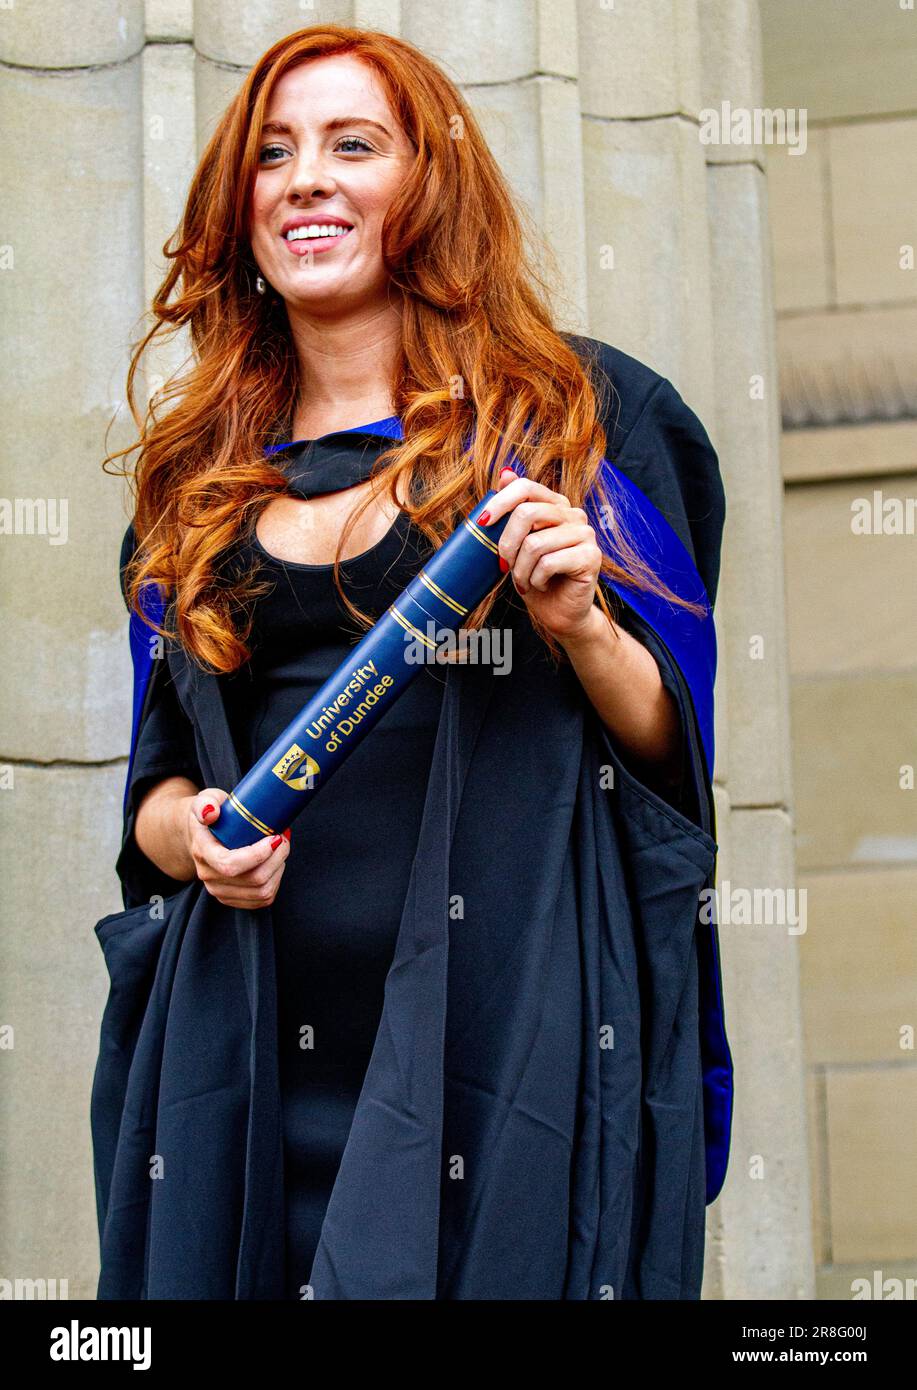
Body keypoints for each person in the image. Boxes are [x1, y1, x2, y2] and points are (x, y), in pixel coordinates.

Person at [91, 23, 733, 1301]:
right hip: (249, 1043)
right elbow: (156, 794)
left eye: (351, 145)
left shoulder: (577, 423)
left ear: (427, 185)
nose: (304, 178)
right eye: (271, 154)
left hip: (500, 1033)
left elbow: (669, 762)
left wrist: (583, 626)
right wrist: (196, 836)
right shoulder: (192, 483)